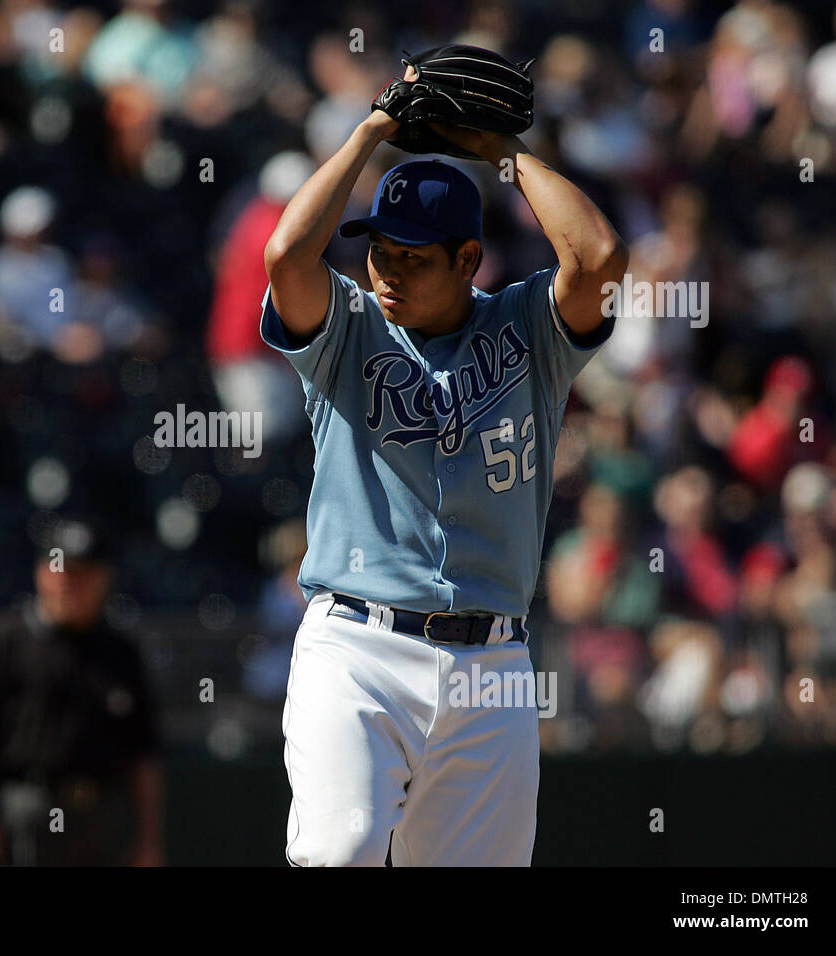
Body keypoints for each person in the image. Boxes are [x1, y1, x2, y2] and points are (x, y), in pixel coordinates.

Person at [261, 61, 628, 865]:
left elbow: (598, 258)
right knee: (340, 850)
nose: (388, 271)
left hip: (492, 662)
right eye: (380, 252)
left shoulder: (528, 329)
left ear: (469, 260)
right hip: (357, 647)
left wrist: (504, 155)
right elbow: (289, 254)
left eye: (414, 257)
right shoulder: (349, 329)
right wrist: (370, 133)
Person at [0, 518, 163, 865]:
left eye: (84, 573)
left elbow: (142, 755)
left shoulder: (120, 653)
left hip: (101, 814)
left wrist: (149, 839)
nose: (72, 583)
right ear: (42, 573)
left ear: (105, 579)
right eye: (63, 571)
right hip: (21, 811)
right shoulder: (1, 641)